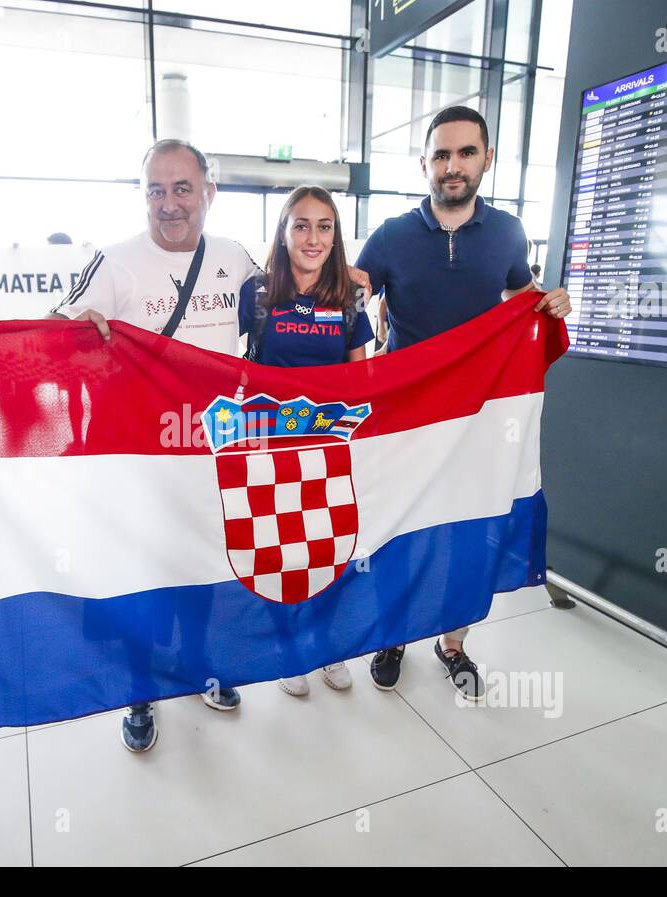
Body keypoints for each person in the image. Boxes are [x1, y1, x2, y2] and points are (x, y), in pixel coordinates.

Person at [50, 139, 260, 752]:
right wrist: (73, 332)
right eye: (155, 191)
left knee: (202, 564)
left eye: (182, 189)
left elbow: (284, 321)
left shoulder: (235, 257)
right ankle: (140, 689)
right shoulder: (115, 263)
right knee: (144, 575)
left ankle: (198, 665)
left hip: (213, 450)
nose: (169, 204)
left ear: (209, 194)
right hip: (140, 455)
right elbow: (55, 334)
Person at [355, 104, 570, 701]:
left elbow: (520, 296)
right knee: (398, 527)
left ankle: (453, 643)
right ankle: (393, 633)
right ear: (425, 164)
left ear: (487, 160)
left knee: (467, 531)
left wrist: (550, 304)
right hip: (404, 418)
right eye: (442, 155)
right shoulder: (391, 236)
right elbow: (343, 294)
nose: (453, 166)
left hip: (479, 418)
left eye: (466, 153)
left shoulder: (506, 231)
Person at [238, 186, 375, 695]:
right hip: (270, 443)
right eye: (301, 225)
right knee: (278, 547)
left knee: (328, 542)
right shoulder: (256, 291)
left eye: (324, 226)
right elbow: (213, 351)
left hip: (329, 443)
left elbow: (360, 375)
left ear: (335, 235)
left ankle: (324, 643)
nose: (312, 237)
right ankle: (288, 645)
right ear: (284, 231)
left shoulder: (349, 292)